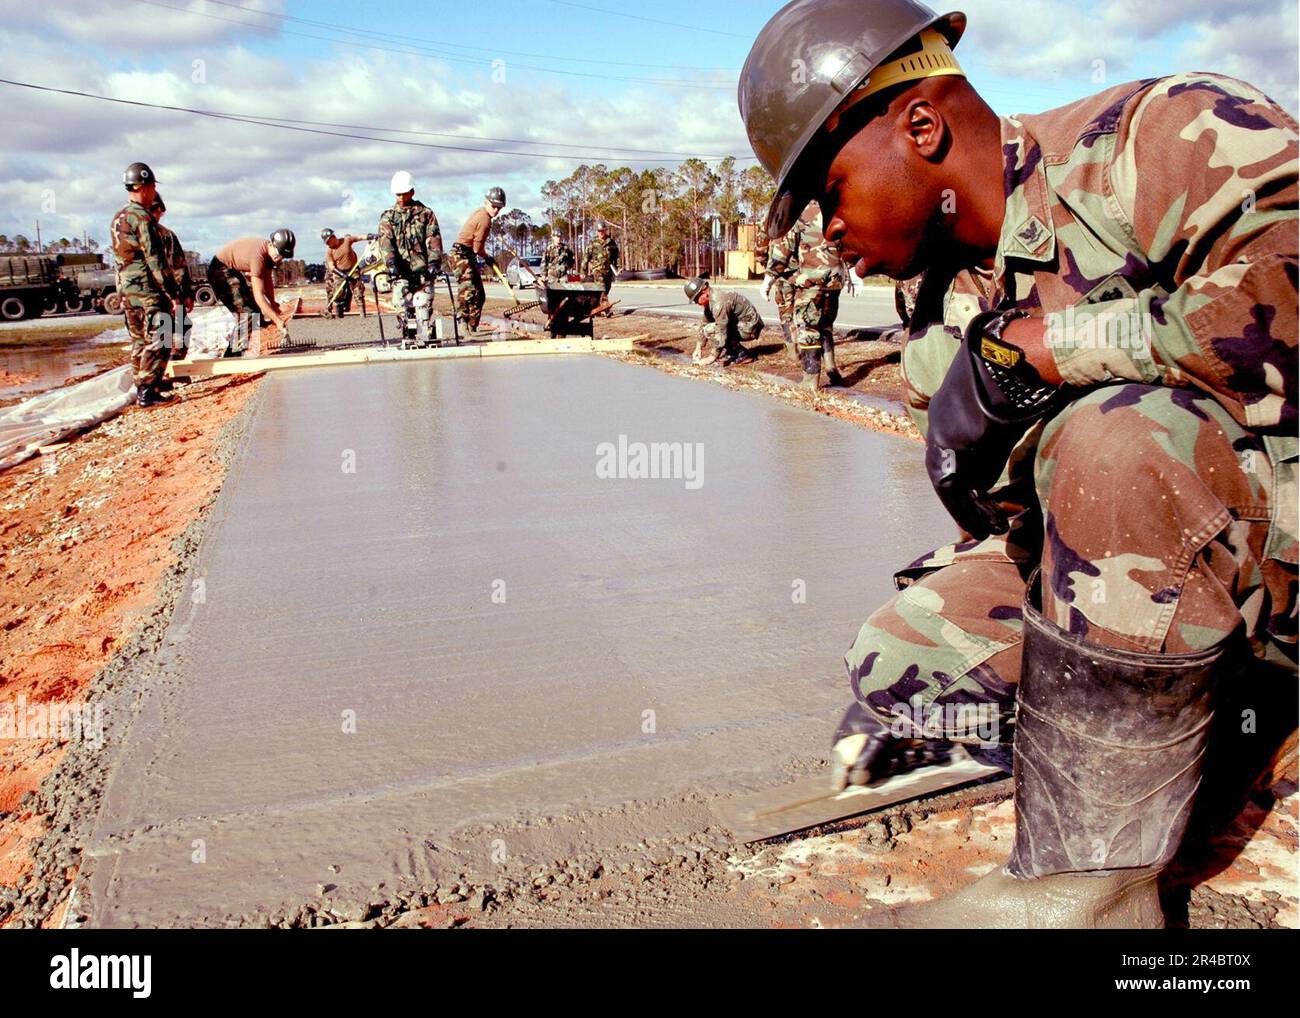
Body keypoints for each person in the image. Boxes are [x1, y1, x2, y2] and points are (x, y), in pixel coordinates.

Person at [740, 0, 1296, 927]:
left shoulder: (1155, 139)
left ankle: (1088, 889)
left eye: (829, 191)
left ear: (918, 125)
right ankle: (1226, 723)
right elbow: (1030, 528)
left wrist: (1048, 351)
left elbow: (1283, 290)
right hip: (1199, 582)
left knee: (1118, 438)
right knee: (906, 657)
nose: (825, 233)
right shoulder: (949, 298)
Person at [110, 161, 182, 406]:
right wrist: (173, 293)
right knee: (160, 335)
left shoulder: (118, 217)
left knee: (139, 339)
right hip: (146, 289)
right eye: (152, 187)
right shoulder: (142, 217)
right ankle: (148, 391)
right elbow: (156, 259)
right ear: (148, 187)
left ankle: (142, 386)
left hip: (126, 290)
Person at [763, 200, 845, 388]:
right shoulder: (838, 209)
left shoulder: (801, 212)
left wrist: (769, 277)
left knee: (808, 329)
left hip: (811, 281)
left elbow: (783, 248)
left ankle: (810, 381)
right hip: (834, 282)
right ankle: (831, 368)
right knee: (825, 326)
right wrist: (852, 272)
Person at [375, 171, 443, 345]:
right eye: (397, 194)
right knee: (402, 304)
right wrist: (391, 263)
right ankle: (408, 333)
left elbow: (433, 238)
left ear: (412, 192)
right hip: (400, 272)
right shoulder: (388, 216)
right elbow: (385, 243)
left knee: (423, 305)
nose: (401, 197)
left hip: (423, 271)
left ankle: (426, 333)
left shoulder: (426, 213)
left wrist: (434, 262)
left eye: (404, 193)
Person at [209, 230, 296, 355]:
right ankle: (232, 356)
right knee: (248, 314)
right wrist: (277, 320)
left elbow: (267, 281)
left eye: (283, 256)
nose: (279, 258)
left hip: (232, 271)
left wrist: (272, 303)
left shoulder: (269, 256)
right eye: (278, 253)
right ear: (272, 244)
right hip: (220, 271)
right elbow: (259, 296)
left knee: (255, 314)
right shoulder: (258, 257)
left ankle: (242, 344)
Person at [444, 187, 505, 333]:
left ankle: (473, 325)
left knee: (480, 294)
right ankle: (463, 323)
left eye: (499, 208)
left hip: (469, 255)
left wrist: (486, 258)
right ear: (486, 202)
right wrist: (488, 258)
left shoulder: (484, 214)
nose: (496, 210)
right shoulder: (484, 219)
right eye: (494, 206)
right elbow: (478, 248)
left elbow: (476, 249)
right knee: (468, 289)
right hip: (460, 254)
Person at [148, 196, 193, 369]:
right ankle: (166, 370)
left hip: (165, 292)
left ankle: (174, 366)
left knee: (179, 327)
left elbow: (180, 265)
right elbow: (179, 267)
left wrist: (186, 294)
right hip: (161, 294)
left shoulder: (166, 235)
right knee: (166, 331)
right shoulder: (162, 235)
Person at [684, 276, 763, 366]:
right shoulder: (710, 301)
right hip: (742, 324)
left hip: (750, 327)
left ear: (704, 291)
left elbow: (721, 331)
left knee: (710, 330)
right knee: (707, 328)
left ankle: (742, 354)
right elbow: (704, 323)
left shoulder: (719, 302)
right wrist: (699, 347)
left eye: (696, 299)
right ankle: (734, 352)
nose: (696, 303)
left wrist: (712, 357)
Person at [320, 228, 368, 318]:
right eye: (326, 243)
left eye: (328, 242)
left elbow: (360, 237)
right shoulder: (329, 251)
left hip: (353, 269)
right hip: (339, 272)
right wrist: (342, 275)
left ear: (333, 237)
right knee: (338, 294)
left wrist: (371, 236)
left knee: (358, 291)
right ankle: (340, 315)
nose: (327, 244)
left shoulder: (346, 240)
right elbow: (331, 266)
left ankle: (362, 315)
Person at [583, 224, 620, 309]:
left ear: (605, 231)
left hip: (608, 271)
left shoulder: (611, 242)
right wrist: (583, 270)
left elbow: (616, 256)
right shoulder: (593, 243)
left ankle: (597, 306)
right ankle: (606, 308)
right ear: (597, 232)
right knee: (602, 287)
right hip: (597, 270)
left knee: (606, 289)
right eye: (599, 231)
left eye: (603, 231)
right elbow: (586, 257)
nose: (601, 233)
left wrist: (619, 267)